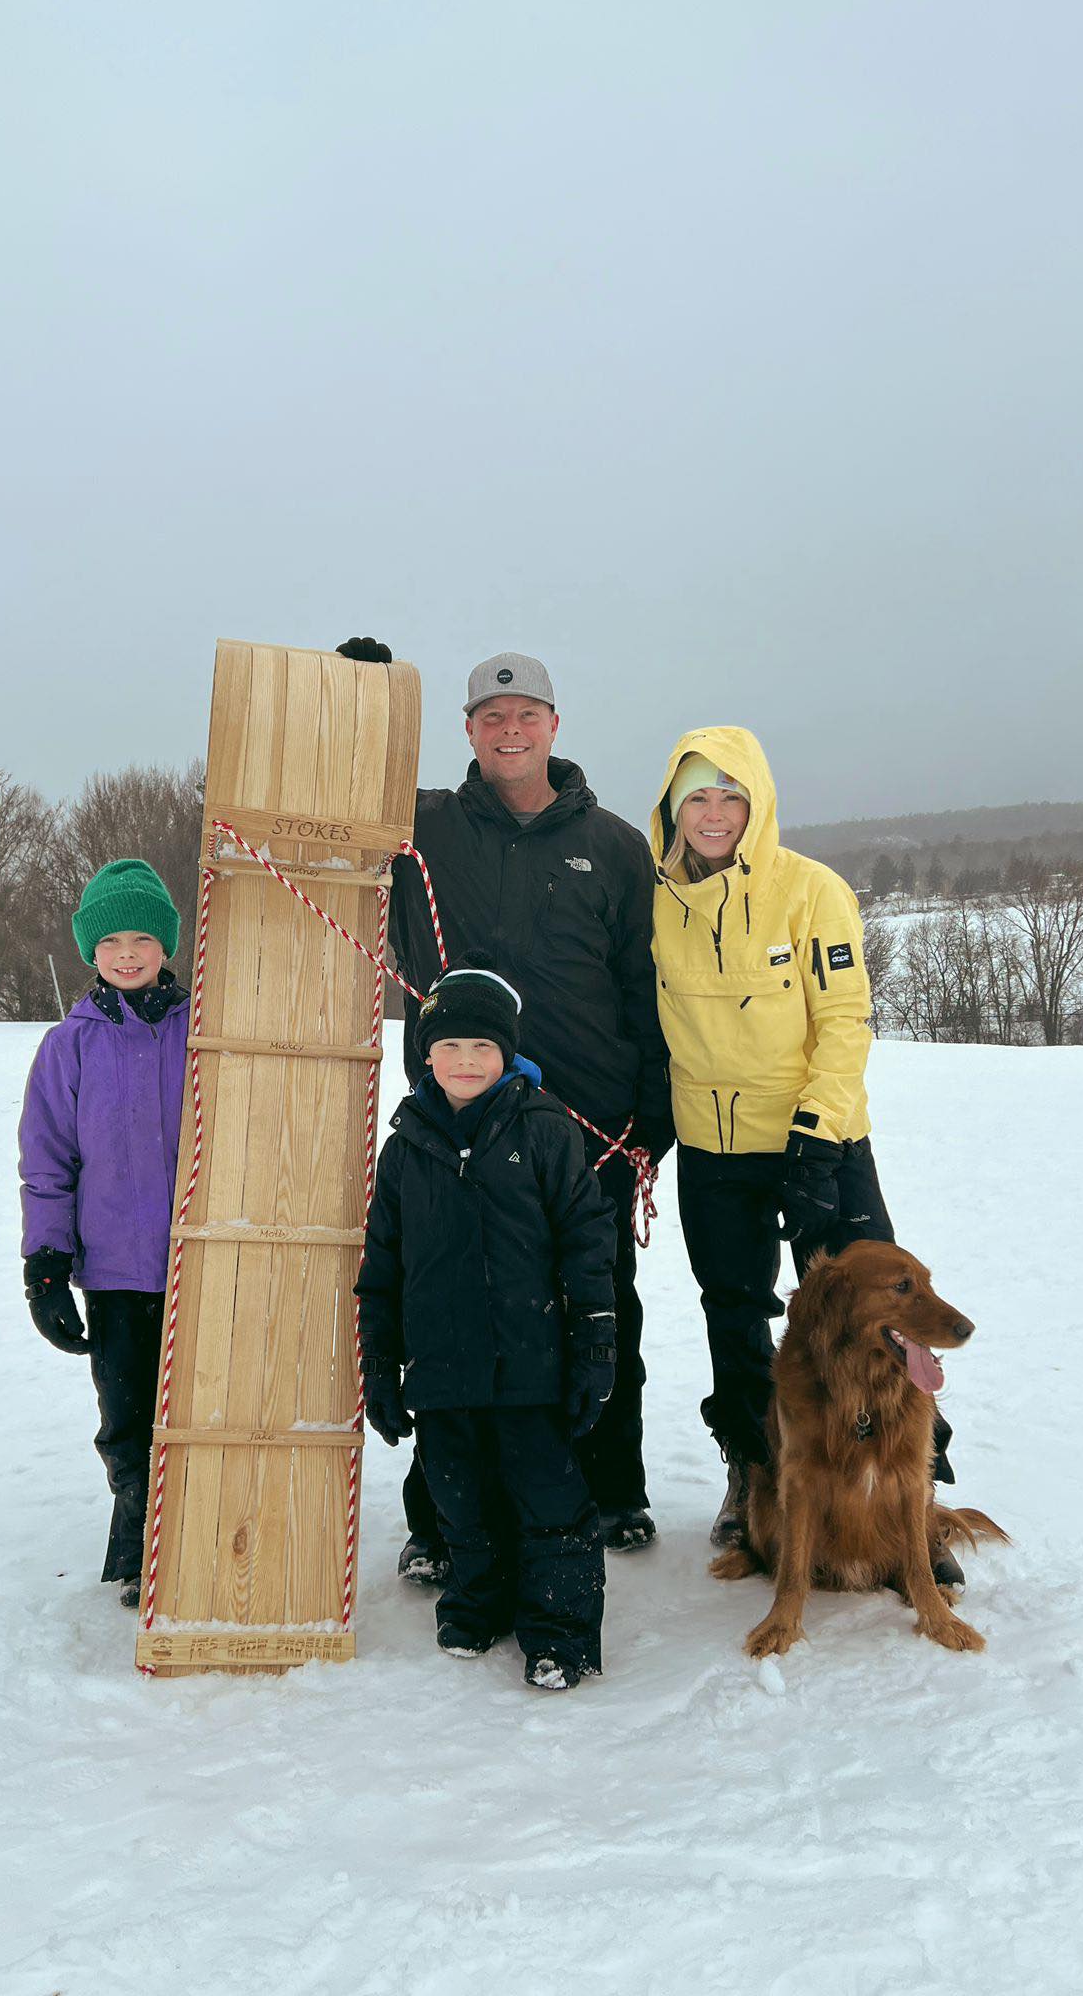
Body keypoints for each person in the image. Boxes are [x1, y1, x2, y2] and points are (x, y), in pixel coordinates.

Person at [336, 640, 673, 1570]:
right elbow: (341, 788)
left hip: (589, 1131)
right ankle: (443, 1520)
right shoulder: (425, 831)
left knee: (599, 1309)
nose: (510, 730)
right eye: (492, 717)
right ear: (470, 732)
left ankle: (612, 1489)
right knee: (452, 1310)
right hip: (461, 1127)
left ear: (555, 726)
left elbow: (644, 990)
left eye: (527, 715)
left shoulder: (612, 847)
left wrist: (653, 1119)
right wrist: (359, 691)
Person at [648, 728, 959, 1573]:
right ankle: (754, 1472)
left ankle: (914, 1495)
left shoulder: (811, 891)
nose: (714, 815)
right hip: (715, 1149)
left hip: (817, 1144)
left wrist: (816, 1136)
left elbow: (845, 1021)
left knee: (877, 1312)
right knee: (734, 1314)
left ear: (757, 803)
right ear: (673, 811)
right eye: (697, 799)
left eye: (730, 797)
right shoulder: (658, 903)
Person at [355, 966, 619, 1689]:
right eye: (448, 1046)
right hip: (443, 1372)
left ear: (507, 1052)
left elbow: (588, 1243)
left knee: (549, 1503)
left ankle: (559, 1634)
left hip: (532, 1365)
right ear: (425, 1056)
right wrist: (379, 1363)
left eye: (482, 1046)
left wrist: (594, 1343)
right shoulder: (406, 1147)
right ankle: (478, 1601)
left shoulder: (545, 1131)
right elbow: (381, 1266)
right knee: (459, 1499)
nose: (466, 1061)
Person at [17, 859, 189, 1607]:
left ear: (166, 946)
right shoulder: (69, 1046)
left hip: (201, 1263)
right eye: (111, 938)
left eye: (143, 937)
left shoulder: (204, 1031)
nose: (127, 953)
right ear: (91, 949)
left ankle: (188, 1538)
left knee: (194, 1410)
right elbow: (48, 1163)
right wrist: (46, 1266)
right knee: (128, 1416)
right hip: (118, 1272)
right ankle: (139, 1539)